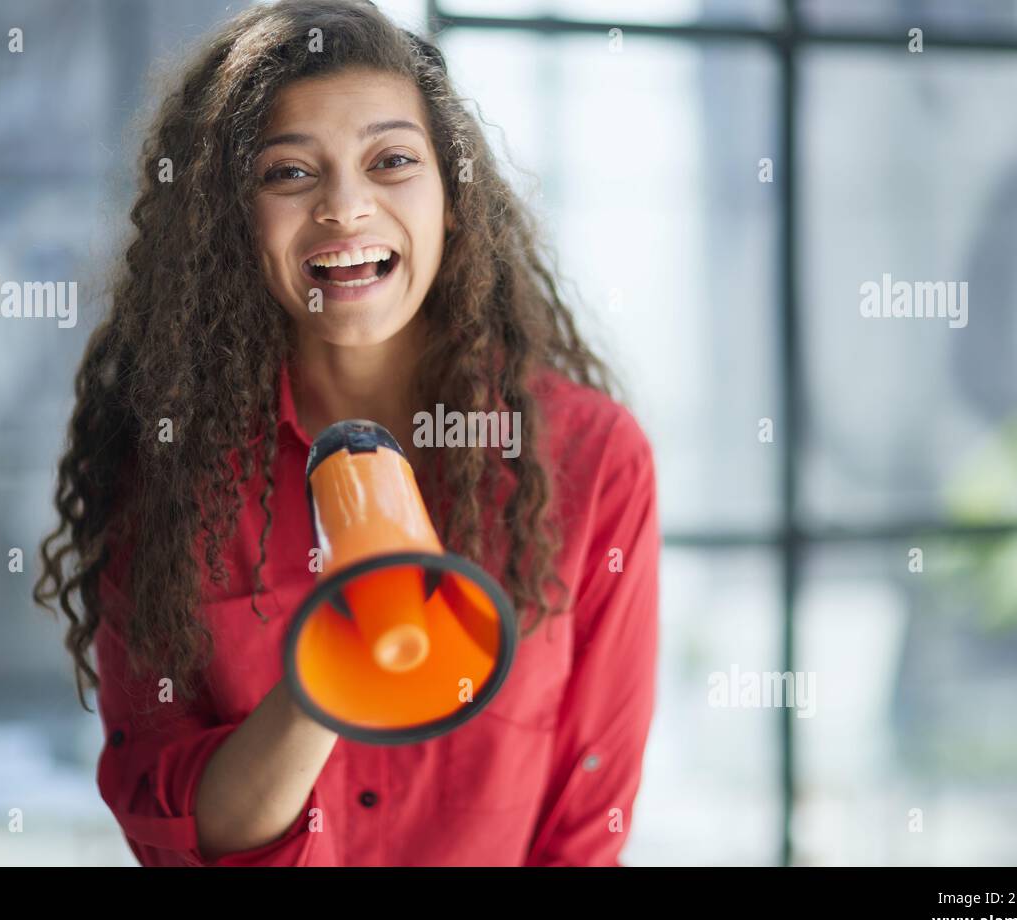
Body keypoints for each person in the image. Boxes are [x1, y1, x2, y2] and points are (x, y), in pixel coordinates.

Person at [34, 0, 659, 866]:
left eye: (392, 160)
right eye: (288, 173)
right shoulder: (162, 466)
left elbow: (588, 826)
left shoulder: (592, 458)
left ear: (453, 199)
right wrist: (329, 678)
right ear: (229, 224)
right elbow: (173, 831)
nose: (346, 206)